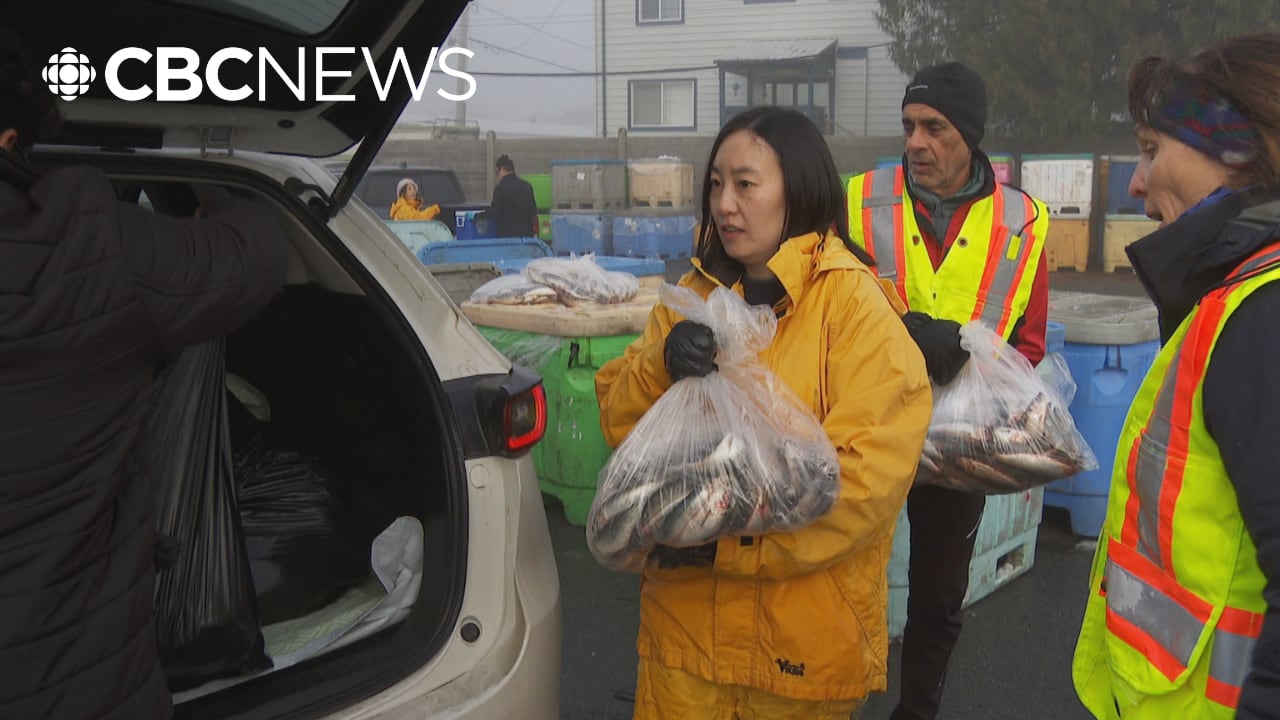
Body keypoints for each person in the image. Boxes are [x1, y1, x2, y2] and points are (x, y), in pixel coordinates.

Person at [595, 106, 933, 719]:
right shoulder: (690, 297)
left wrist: (726, 546)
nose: (725, 204)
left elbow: (866, 479)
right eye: (717, 184)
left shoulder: (850, 304)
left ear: (796, 187)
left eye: (746, 184)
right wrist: (657, 368)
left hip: (799, 657)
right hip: (684, 650)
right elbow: (622, 432)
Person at [0, 26, 289, 720]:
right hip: (77, 686)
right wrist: (206, 180)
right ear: (12, 139)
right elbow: (257, 254)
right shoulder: (77, 245)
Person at [1072, 32, 1280, 720]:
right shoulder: (1236, 295)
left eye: (1153, 149)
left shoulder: (1262, 316)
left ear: (1239, 152)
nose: (1135, 182)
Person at [845, 61, 1051, 720]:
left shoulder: (1023, 220)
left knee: (938, 598)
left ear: (969, 135)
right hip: (864, 425)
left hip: (959, 441)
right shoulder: (859, 197)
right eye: (908, 126)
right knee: (840, 579)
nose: (915, 142)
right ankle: (831, 701)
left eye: (934, 128)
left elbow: (1030, 342)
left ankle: (916, 713)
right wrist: (908, 330)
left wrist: (985, 378)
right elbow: (821, 300)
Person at [486, 153, 538, 238]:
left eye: (497, 172)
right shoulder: (527, 186)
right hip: (526, 239)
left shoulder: (500, 189)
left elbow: (493, 212)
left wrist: (476, 216)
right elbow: (533, 213)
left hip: (506, 240)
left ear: (502, 170)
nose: (498, 176)